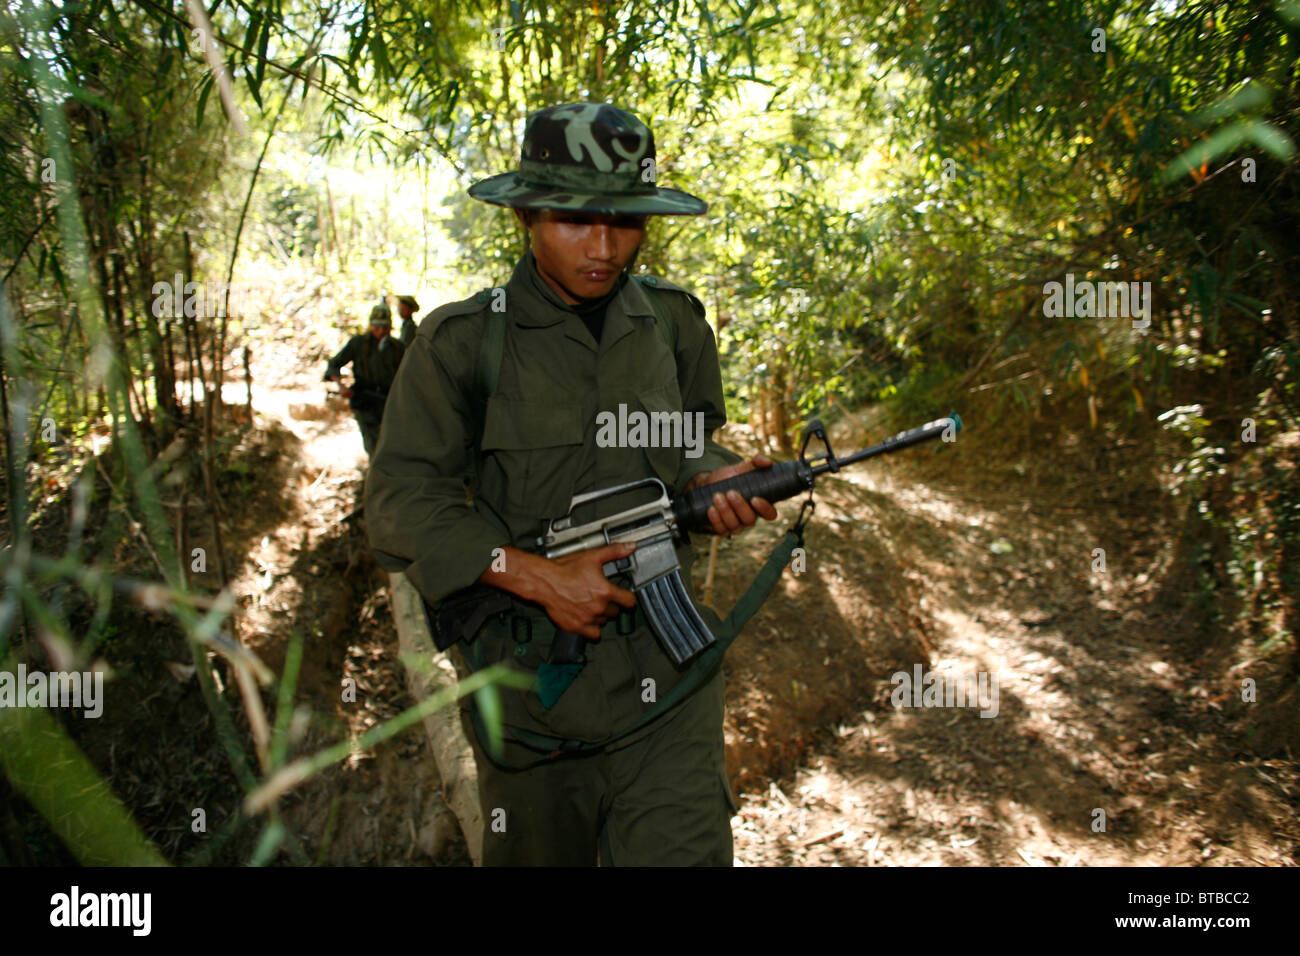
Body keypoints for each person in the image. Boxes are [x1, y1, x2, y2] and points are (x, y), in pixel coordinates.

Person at [365, 103, 777, 865]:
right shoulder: (463, 343)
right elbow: (400, 503)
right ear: (525, 214)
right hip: (531, 697)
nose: (604, 247)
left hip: (669, 676)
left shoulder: (674, 323)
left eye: (625, 223)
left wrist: (710, 473)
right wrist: (535, 576)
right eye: (575, 220)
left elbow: (686, 438)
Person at [323, 302, 405, 456]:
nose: (381, 331)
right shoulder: (358, 343)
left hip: (388, 402)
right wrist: (341, 386)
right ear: (371, 325)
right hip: (365, 401)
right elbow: (334, 364)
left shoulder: (397, 347)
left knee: (392, 445)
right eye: (377, 327)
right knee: (374, 448)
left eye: (385, 327)